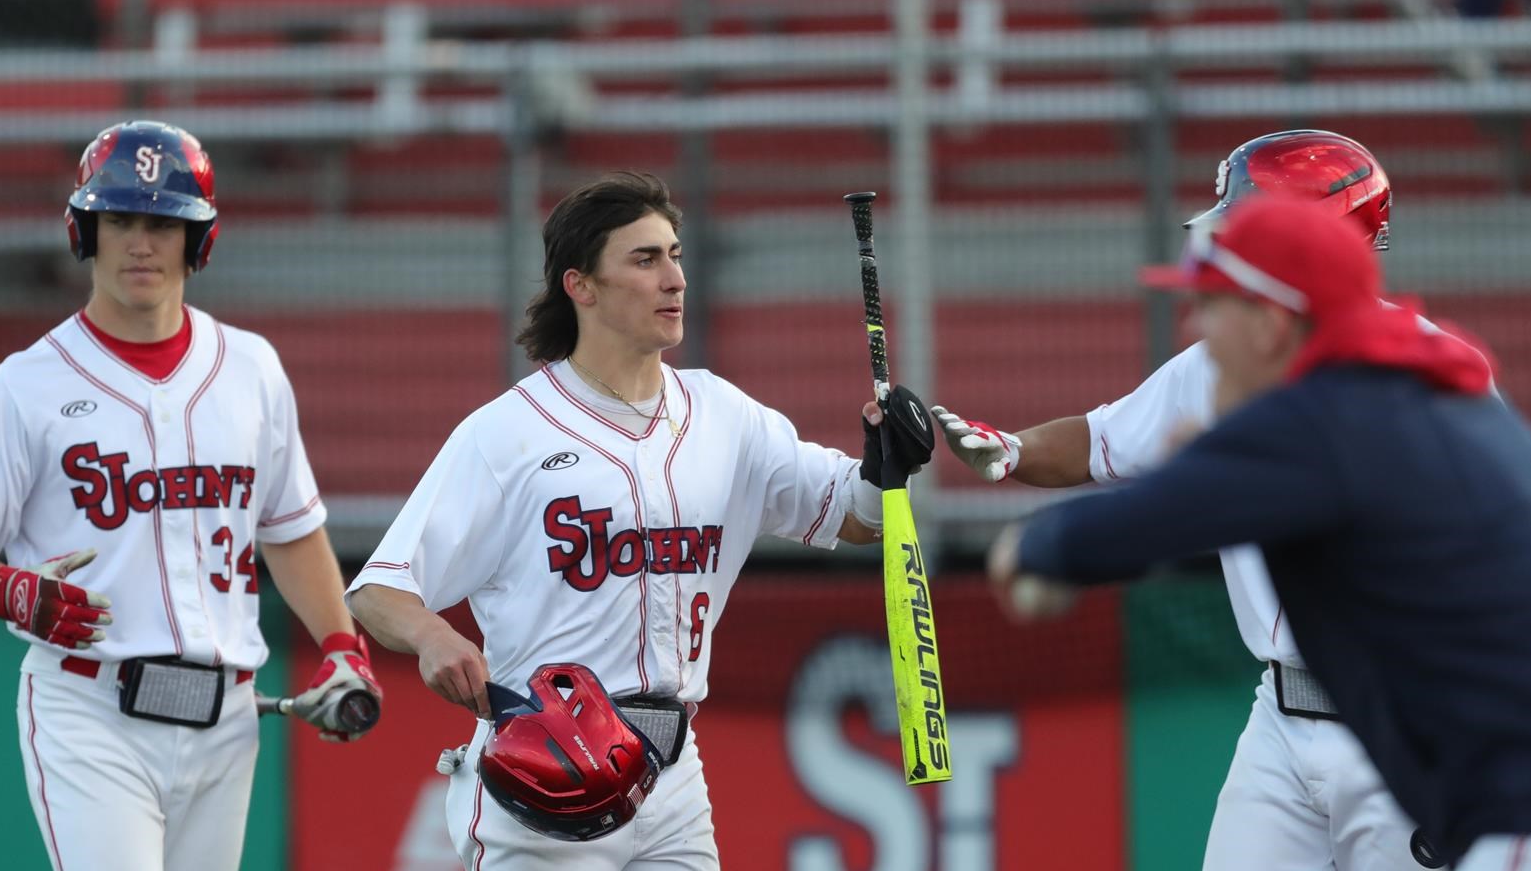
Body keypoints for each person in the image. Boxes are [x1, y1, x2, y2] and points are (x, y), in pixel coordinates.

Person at [345, 171, 922, 869]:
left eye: (674, 255)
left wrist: (887, 462)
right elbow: (378, 589)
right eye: (644, 260)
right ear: (580, 286)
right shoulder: (505, 434)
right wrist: (432, 635)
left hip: (673, 777)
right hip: (547, 774)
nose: (673, 278)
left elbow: (855, 518)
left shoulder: (724, 417)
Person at [930, 130, 1462, 870]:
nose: (1224, 257)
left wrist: (1057, 548)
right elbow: (1101, 439)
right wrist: (1012, 449)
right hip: (1281, 714)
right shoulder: (1235, 350)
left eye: (1250, 227)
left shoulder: (1422, 378)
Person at [0, 120, 382, 871]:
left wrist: (339, 646)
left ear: (199, 241)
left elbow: (289, 530)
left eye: (163, 223)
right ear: (84, 231)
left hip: (226, 714)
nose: (140, 242)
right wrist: (11, 590)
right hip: (89, 707)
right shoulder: (23, 385)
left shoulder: (251, 367)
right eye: (120, 219)